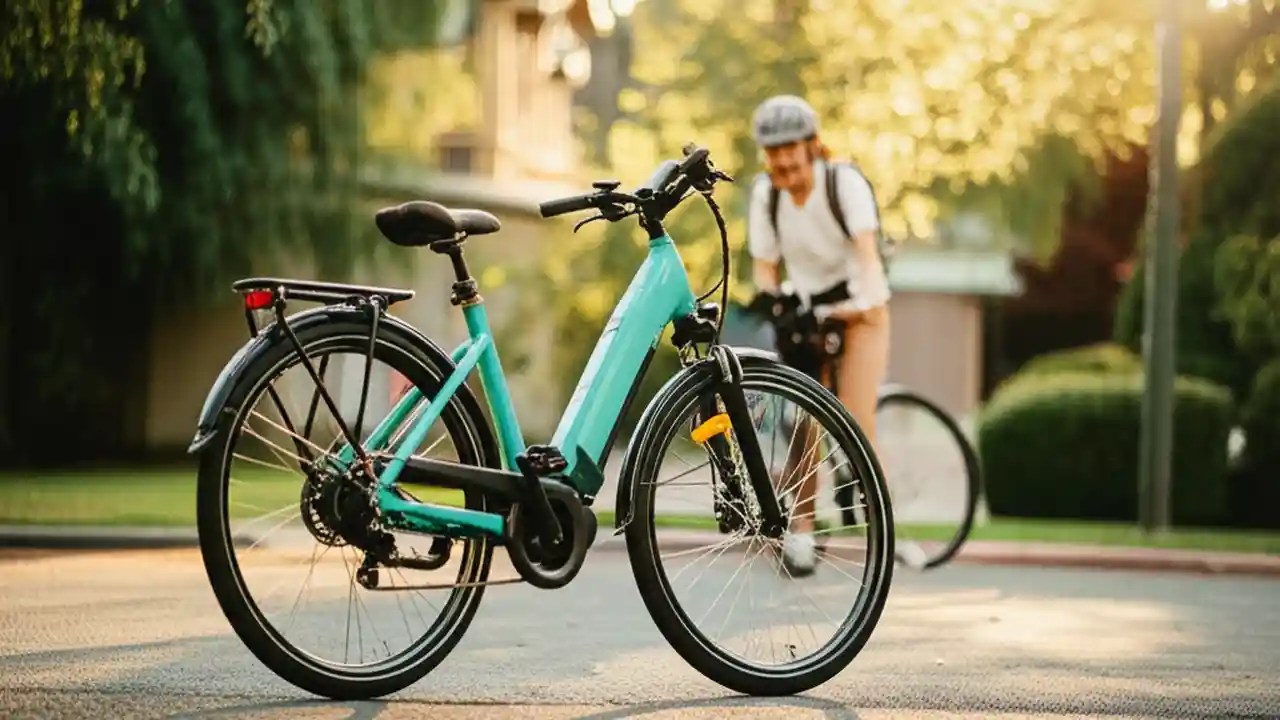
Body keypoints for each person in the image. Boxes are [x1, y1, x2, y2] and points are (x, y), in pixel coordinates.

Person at [746, 94, 892, 576]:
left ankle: (881, 528)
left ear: (811, 145)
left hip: (859, 309)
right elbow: (765, 267)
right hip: (808, 314)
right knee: (799, 423)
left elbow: (867, 254)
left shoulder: (842, 183)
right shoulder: (766, 195)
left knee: (854, 423)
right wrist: (777, 302)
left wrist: (861, 306)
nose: (783, 160)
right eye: (773, 151)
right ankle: (803, 531)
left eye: (790, 147)